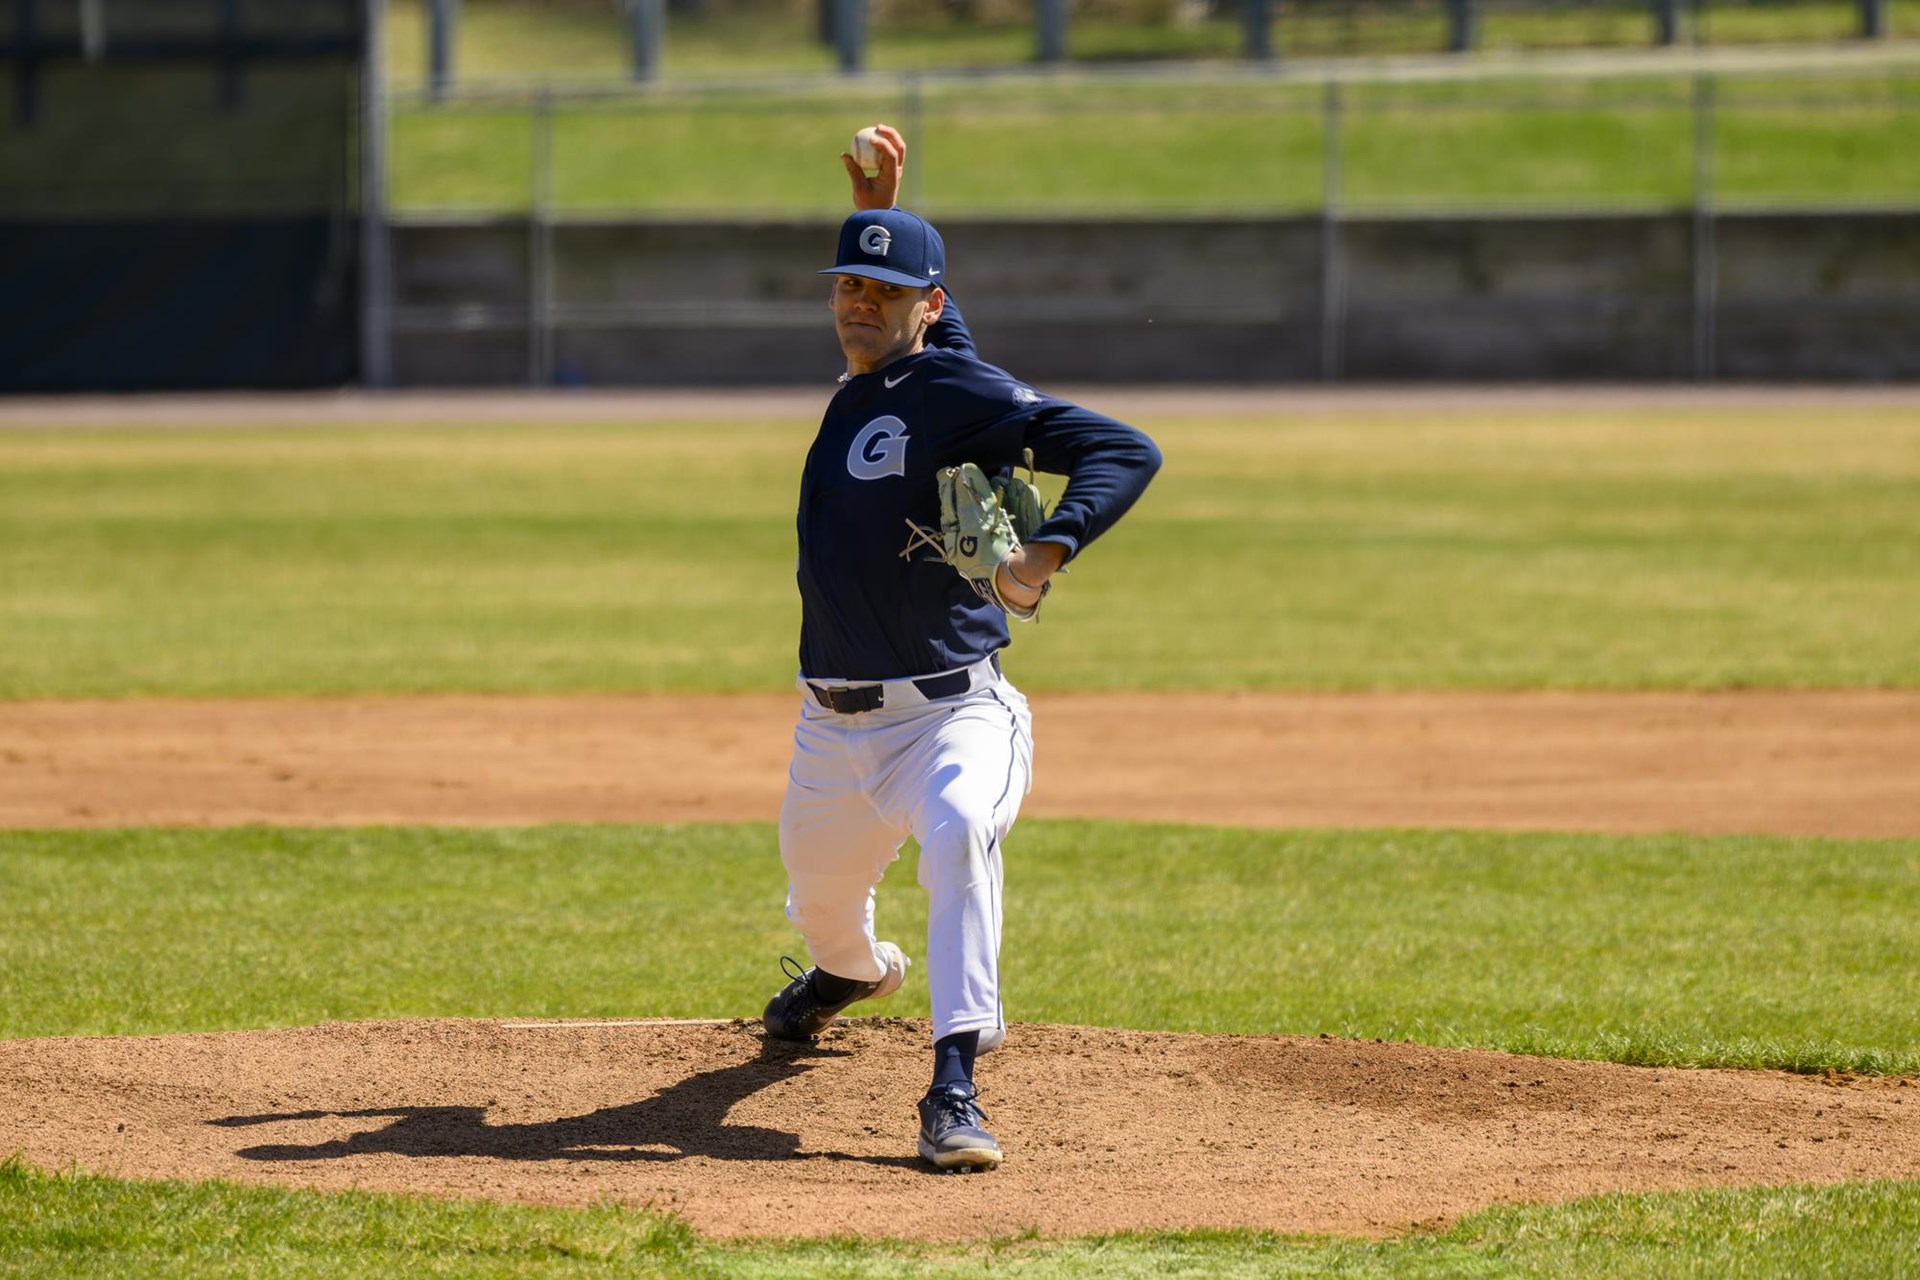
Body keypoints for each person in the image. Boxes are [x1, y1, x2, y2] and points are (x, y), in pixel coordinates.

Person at [760, 125, 1162, 1172]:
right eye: (849, 284)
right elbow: (942, 349)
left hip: (952, 712)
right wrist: (887, 213)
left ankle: (953, 1086)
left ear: (928, 306)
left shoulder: (950, 390)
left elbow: (1123, 447)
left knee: (959, 830)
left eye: (884, 291)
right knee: (820, 908)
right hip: (830, 729)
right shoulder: (893, 379)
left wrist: (1045, 551)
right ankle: (850, 975)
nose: (858, 303)